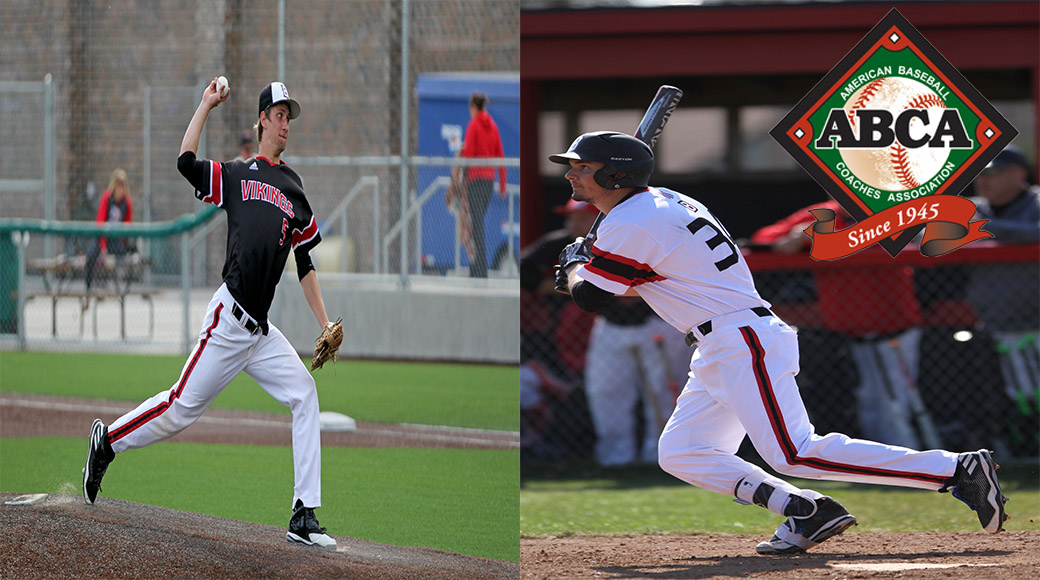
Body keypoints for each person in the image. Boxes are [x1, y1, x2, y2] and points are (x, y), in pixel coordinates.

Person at [550, 130, 1008, 555]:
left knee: (794, 451)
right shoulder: (660, 204)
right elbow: (636, 282)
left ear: (615, 173)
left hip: (739, 338)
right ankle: (808, 511)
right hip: (722, 340)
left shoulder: (632, 220)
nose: (570, 173)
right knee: (683, 452)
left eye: (582, 166)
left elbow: (591, 298)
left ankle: (954, 470)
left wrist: (576, 267)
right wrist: (586, 267)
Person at [82, 79, 338, 550]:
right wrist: (204, 103)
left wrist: (324, 322)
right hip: (229, 321)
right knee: (180, 409)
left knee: (304, 392)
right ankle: (108, 441)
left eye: (289, 116)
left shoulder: (295, 189)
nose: (285, 123)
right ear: (261, 119)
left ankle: (303, 514)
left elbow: (305, 262)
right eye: (279, 114)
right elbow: (184, 162)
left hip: (260, 333)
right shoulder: (238, 175)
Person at [750, 200, 935, 450]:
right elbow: (763, 237)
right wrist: (804, 232)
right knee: (869, 402)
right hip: (849, 332)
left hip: (896, 330)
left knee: (897, 405)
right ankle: (882, 460)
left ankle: (909, 457)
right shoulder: (824, 214)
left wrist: (817, 236)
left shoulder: (890, 210)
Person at [965, 145, 1040, 456]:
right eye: (979, 174)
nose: (983, 181)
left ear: (1018, 174)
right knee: (1015, 398)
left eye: (992, 173)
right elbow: (921, 234)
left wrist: (981, 230)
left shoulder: (1036, 201)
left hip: (1036, 323)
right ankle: (1024, 454)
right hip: (995, 327)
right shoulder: (973, 207)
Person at [452, 90, 507, 278]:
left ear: (473, 107)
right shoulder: (493, 126)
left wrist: (462, 151)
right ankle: (478, 267)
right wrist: (502, 184)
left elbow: (468, 155)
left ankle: (479, 269)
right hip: (489, 181)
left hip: (475, 181)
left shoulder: (474, 125)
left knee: (476, 225)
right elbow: (500, 154)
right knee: (478, 223)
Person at [85, 168, 136, 292]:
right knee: (90, 256)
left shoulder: (127, 202)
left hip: (116, 240)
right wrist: (103, 247)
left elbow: (127, 227)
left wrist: (124, 244)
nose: (121, 190)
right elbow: (100, 223)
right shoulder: (106, 198)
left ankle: (120, 290)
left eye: (123, 186)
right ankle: (88, 288)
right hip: (102, 239)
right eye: (118, 186)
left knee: (125, 255)